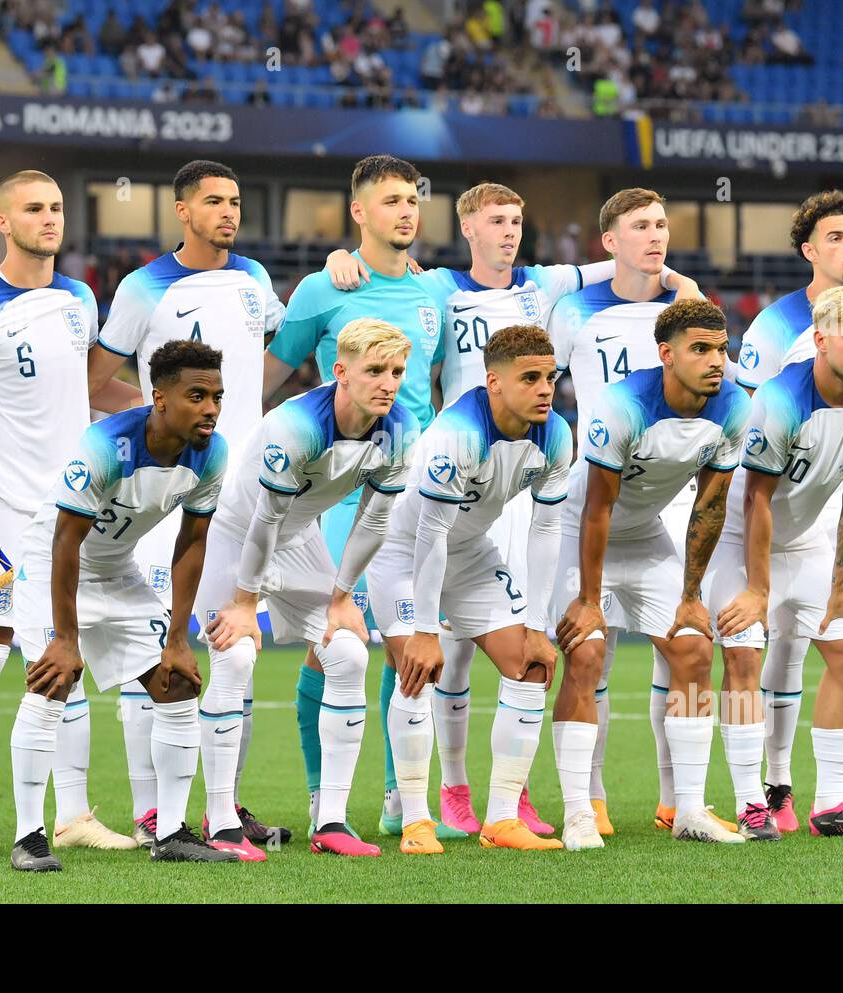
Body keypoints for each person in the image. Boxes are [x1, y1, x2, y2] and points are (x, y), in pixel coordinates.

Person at [324, 180, 699, 835]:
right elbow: (381, 275)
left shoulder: (545, 283)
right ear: (468, 227)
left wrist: (679, 282)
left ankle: (512, 794)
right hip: (447, 475)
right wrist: (339, 260)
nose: (509, 231)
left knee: (523, 644)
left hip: (515, 482)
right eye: (496, 220)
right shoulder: (437, 287)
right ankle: (440, 793)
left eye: (517, 220)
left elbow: (627, 258)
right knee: (446, 655)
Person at [0, 170, 140, 860]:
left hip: (72, 512)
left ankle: (71, 813)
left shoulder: (79, 298)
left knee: (61, 656)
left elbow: (85, 388)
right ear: (4, 223)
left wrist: (162, 412)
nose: (50, 219)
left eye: (57, 208)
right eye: (34, 209)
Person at [85, 159, 290, 848]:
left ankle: (225, 807)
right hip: (164, 486)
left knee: (238, 648)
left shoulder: (256, 279)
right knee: (156, 648)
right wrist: (161, 419)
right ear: (182, 210)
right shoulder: (144, 287)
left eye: (235, 201)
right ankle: (151, 809)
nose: (228, 212)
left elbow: (267, 364)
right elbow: (94, 380)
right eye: (213, 201)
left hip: (242, 489)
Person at [262, 154, 452, 839]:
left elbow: (440, 395)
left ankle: (403, 794)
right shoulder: (322, 288)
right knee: (336, 642)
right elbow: (267, 375)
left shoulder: (434, 294)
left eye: (413, 198)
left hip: (418, 493)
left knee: (410, 642)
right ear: (360, 212)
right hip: (340, 496)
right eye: (392, 199)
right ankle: (323, 799)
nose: (406, 210)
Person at [549, 187, 736, 836]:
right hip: (581, 514)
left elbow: (723, 398)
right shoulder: (572, 311)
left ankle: (684, 806)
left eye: (662, 224)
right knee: (586, 655)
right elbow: (534, 384)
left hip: (655, 506)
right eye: (640, 225)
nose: (656, 235)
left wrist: (687, 289)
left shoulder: (690, 317)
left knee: (690, 647)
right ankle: (583, 805)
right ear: (609, 242)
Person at [7, 341, 237, 870]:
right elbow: (65, 541)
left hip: (116, 571)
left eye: (217, 397)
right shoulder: (107, 445)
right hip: (53, 569)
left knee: (177, 681)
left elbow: (192, 543)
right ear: (159, 398)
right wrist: (65, 639)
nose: (210, 408)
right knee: (52, 682)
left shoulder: (212, 453)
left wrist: (177, 638)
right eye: (196, 396)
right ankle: (29, 836)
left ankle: (174, 833)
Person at [201, 319, 418, 858]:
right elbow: (263, 519)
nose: (388, 382)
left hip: (298, 538)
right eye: (374, 371)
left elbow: (374, 520)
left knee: (347, 655)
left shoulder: (402, 428)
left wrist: (342, 596)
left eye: (396, 371)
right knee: (235, 660)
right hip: (234, 535)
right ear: (339, 373)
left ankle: (332, 821)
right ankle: (221, 821)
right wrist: (246, 603)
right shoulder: (297, 423)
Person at [733, 189, 843, 833]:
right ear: (809, 250)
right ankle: (773, 787)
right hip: (781, 501)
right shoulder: (774, 327)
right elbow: (747, 428)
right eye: (836, 237)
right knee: (779, 642)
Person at [368, 325, 570, 854]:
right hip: (403, 555)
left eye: (550, 377)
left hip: (473, 553)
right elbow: (429, 536)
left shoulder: (555, 434)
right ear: (494, 382)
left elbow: (546, 530)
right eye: (531, 378)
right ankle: (415, 820)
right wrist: (424, 630)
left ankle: (502, 820)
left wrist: (536, 627)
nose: (546, 388)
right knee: (419, 669)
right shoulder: (456, 434)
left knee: (532, 665)